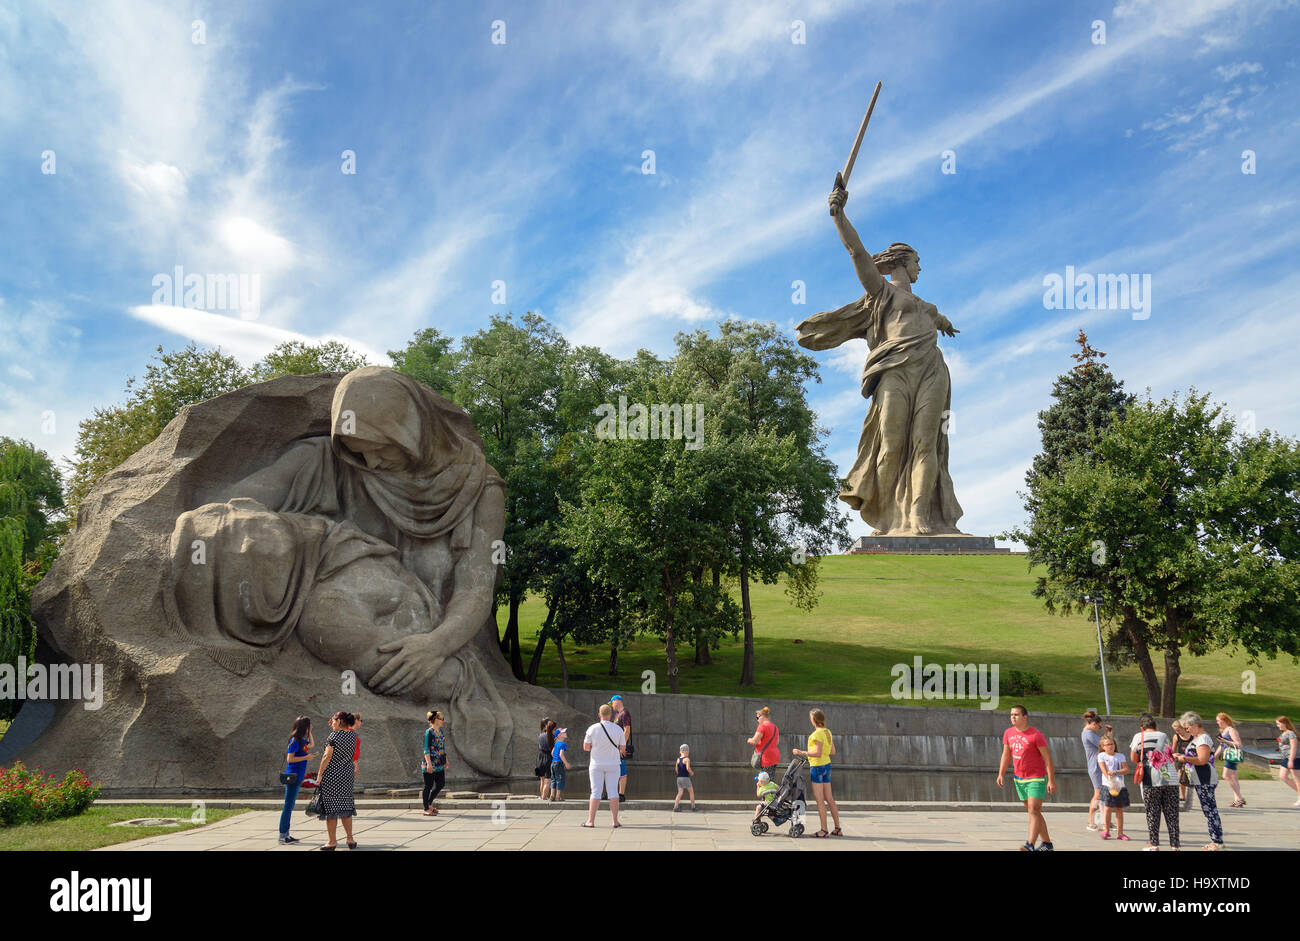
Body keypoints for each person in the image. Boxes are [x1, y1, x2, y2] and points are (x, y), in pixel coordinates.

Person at [997, 704, 1057, 852]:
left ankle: (1029, 844)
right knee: (1033, 812)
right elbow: (1006, 755)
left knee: (1034, 810)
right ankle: (1047, 844)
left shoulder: (1035, 735)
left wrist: (1051, 780)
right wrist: (1001, 773)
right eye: (1011, 714)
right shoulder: (1008, 733)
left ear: (1025, 717)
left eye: (1016, 714)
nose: (1013, 717)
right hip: (1019, 779)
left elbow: (1047, 759)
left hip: (1036, 778)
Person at [1173, 712, 1224, 851]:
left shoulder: (1203, 739)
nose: (1186, 730)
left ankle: (1217, 842)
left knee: (1210, 810)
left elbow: (1202, 760)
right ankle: (1217, 840)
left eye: (1187, 727)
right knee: (1209, 810)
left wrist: (1184, 758)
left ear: (1194, 725)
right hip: (1201, 778)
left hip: (1205, 778)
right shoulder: (1199, 738)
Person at [1130, 713, 1180, 851]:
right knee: (1172, 813)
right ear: (1155, 725)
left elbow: (1134, 758)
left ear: (1142, 727)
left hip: (1151, 779)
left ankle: (1154, 845)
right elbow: (1169, 755)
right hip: (1171, 778)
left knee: (1153, 812)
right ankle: (1175, 846)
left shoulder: (1138, 737)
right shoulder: (1164, 735)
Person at [792, 708, 841, 838]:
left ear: (813, 720)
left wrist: (801, 752)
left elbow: (817, 753)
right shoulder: (827, 732)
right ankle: (837, 828)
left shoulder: (816, 734)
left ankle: (823, 830)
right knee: (829, 798)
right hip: (827, 766)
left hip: (817, 767)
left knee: (820, 800)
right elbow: (833, 751)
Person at [315, 710, 358, 850]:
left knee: (331, 810)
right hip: (346, 775)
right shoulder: (353, 735)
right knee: (346, 806)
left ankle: (332, 841)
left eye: (333, 721)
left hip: (332, 776)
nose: (331, 723)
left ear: (339, 721)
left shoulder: (333, 736)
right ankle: (350, 839)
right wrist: (335, 723)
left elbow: (327, 756)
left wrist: (320, 774)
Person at [582, 703, 626, 828]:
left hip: (596, 764)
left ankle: (590, 821)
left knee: (595, 792)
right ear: (611, 715)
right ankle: (614, 821)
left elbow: (586, 747)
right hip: (613, 764)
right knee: (613, 792)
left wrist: (595, 746)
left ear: (599, 715)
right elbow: (623, 748)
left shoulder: (592, 728)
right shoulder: (618, 729)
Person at [279, 715, 315, 844]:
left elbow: (311, 744)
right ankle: (283, 836)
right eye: (309, 726)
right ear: (304, 727)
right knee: (288, 806)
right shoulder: (295, 740)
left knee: (290, 805)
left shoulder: (301, 740)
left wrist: (309, 732)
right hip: (293, 776)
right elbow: (290, 759)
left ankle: (286, 835)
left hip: (298, 776)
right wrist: (306, 758)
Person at [1096, 735, 1130, 841]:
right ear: (1103, 746)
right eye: (1108, 745)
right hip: (1108, 786)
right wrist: (1111, 782)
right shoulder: (1101, 756)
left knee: (1119, 809)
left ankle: (1120, 833)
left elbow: (1126, 769)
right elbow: (1104, 771)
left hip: (1120, 786)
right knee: (1108, 808)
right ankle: (1106, 831)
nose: (1110, 746)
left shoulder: (1120, 756)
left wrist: (1116, 772)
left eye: (1112, 744)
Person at [1080, 710, 1107, 831]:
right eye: (1099, 726)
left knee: (1101, 794)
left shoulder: (1089, 733)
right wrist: (1108, 734)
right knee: (1097, 794)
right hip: (1095, 767)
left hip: (1098, 767)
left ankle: (1105, 820)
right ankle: (1090, 821)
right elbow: (1105, 745)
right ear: (1094, 724)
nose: (1099, 729)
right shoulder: (1088, 734)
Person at [1214, 713, 1246, 808]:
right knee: (1233, 777)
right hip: (1227, 756)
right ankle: (1237, 800)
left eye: (1218, 720)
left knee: (1226, 776)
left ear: (1224, 720)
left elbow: (1239, 744)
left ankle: (1240, 798)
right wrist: (1214, 757)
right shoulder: (1223, 731)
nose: (1217, 722)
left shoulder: (1231, 730)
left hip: (1232, 756)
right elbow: (1221, 746)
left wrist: (1225, 741)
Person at [421, 710, 447, 816]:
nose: (443, 721)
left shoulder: (441, 732)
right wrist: (429, 764)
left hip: (439, 764)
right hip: (430, 764)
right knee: (428, 785)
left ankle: (429, 803)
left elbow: (442, 748)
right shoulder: (429, 732)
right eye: (441, 719)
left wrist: (446, 760)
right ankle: (426, 808)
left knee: (441, 784)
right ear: (435, 720)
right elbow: (426, 749)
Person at [748, 706, 781, 781]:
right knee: (769, 778)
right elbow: (777, 742)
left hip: (766, 757)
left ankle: (768, 792)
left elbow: (754, 741)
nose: (757, 720)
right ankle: (771, 792)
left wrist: (749, 740)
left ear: (762, 716)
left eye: (757, 717)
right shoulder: (775, 727)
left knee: (765, 781)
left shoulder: (762, 726)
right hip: (775, 756)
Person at [610, 695, 632, 803]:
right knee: (613, 769)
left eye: (612, 703)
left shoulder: (625, 713)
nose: (611, 705)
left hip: (619, 747)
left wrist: (622, 746)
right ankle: (612, 793)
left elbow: (626, 730)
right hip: (615, 747)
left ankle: (621, 794)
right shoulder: (618, 714)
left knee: (621, 769)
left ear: (617, 701)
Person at [1276, 716, 1300, 806]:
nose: (1277, 726)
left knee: (1297, 779)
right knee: (1283, 776)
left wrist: (1291, 760)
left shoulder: (1291, 733)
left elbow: (1294, 747)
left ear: (1284, 723)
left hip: (1294, 758)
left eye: (1278, 724)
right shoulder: (1283, 733)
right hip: (1286, 758)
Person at [1171, 720, 1194, 809]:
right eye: (1175, 730)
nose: (1177, 732)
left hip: (1191, 758)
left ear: (1183, 728)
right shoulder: (1176, 736)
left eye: (1178, 730)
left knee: (1191, 776)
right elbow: (1173, 749)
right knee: (1181, 776)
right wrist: (1173, 756)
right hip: (1180, 759)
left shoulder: (1192, 736)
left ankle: (1191, 795)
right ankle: (1183, 796)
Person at [537, 718, 555, 801]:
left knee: (542, 780)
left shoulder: (540, 735)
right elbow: (552, 749)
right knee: (548, 781)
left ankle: (542, 796)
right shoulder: (551, 736)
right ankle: (544, 798)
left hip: (540, 758)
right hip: (548, 758)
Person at [673, 744, 696, 811]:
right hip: (685, 778)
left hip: (679, 778)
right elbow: (688, 768)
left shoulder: (678, 759)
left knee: (680, 792)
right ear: (685, 751)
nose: (688, 752)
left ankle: (675, 806)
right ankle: (693, 806)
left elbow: (676, 770)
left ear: (680, 751)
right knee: (691, 792)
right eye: (688, 751)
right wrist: (691, 773)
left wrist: (679, 774)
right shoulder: (687, 759)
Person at [550, 728, 570, 801]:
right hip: (559, 764)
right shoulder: (563, 744)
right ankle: (557, 797)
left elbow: (552, 753)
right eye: (563, 732)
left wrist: (555, 758)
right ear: (559, 735)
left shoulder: (556, 743)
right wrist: (566, 763)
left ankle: (552, 796)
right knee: (560, 780)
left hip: (553, 763)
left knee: (553, 780)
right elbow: (561, 755)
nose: (565, 733)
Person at [351, 713, 362, 779]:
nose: (361, 722)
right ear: (356, 720)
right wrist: (355, 764)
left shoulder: (352, 732)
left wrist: (355, 764)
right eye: (361, 720)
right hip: (348, 764)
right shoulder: (350, 733)